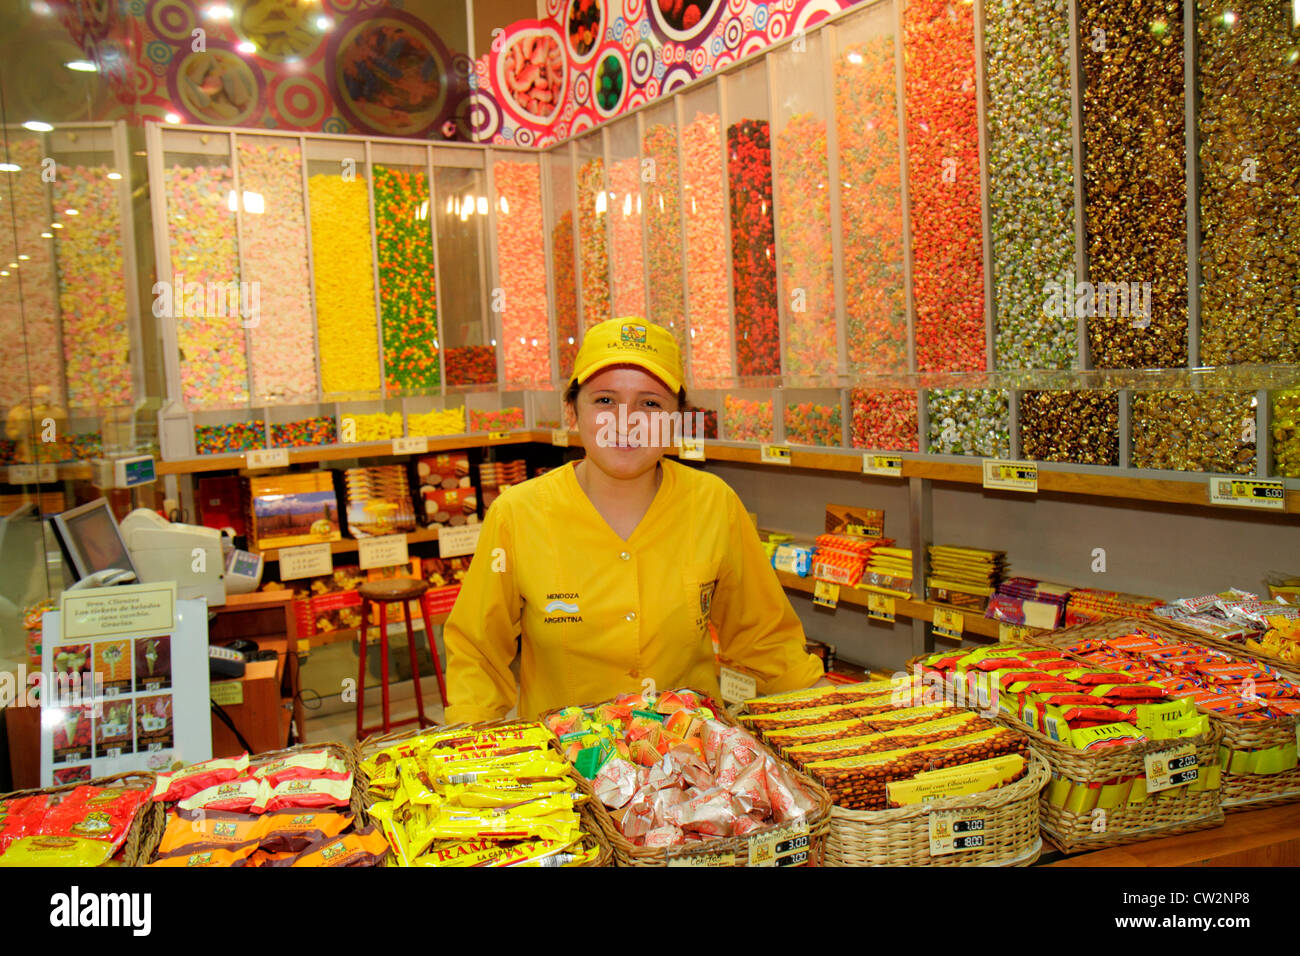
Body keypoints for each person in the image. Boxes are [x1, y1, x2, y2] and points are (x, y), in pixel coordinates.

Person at [442, 317, 827, 724]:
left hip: (690, 765)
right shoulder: (517, 514)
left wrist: (833, 713)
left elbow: (763, 637)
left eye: (650, 403)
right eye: (605, 400)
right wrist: (473, 747)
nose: (625, 422)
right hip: (568, 770)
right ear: (572, 411)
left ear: (677, 418)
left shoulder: (715, 504)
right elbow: (477, 653)